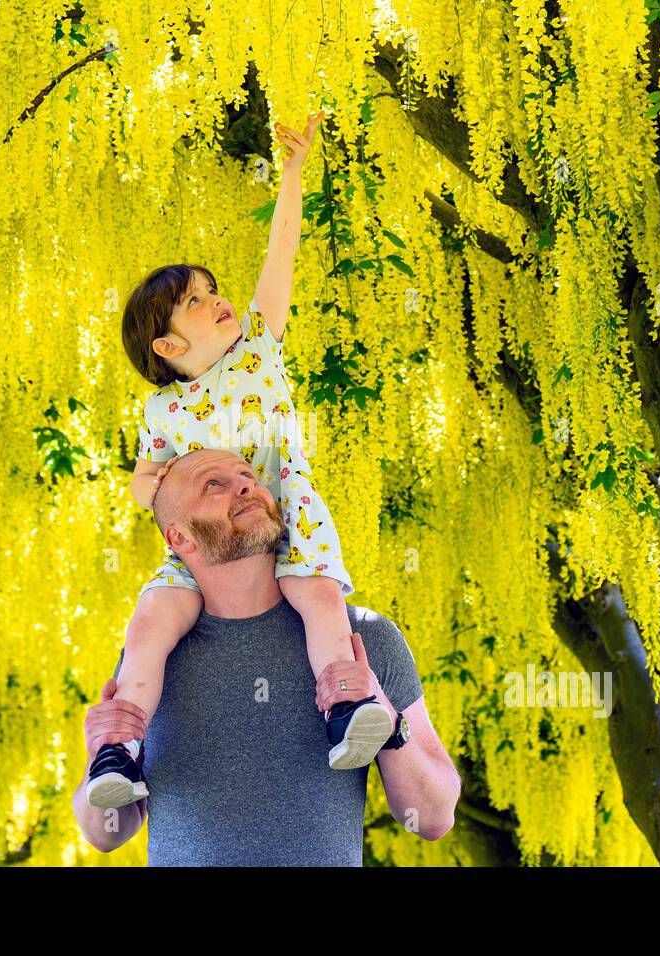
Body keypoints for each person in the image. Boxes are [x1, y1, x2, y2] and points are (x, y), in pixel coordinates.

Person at [88, 109, 395, 808]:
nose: (216, 299)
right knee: (151, 621)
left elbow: (279, 256)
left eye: (210, 288)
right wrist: (145, 485)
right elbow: (150, 489)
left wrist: (293, 174)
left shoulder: (258, 348)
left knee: (319, 600)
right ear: (165, 348)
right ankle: (119, 748)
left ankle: (345, 707)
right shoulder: (160, 413)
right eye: (194, 302)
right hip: (207, 538)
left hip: (287, 509)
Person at [71, 449, 461, 865]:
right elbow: (106, 834)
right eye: (213, 485)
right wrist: (99, 754)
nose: (245, 484)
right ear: (179, 538)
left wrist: (386, 716)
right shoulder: (151, 658)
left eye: (247, 474)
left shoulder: (360, 638)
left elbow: (433, 819)